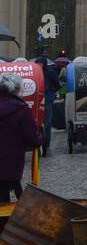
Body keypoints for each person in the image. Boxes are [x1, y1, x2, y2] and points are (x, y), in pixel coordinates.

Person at [0, 73, 38, 202]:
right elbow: (32, 137)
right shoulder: (21, 109)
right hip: (11, 165)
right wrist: (39, 140)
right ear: (17, 90)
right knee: (15, 199)